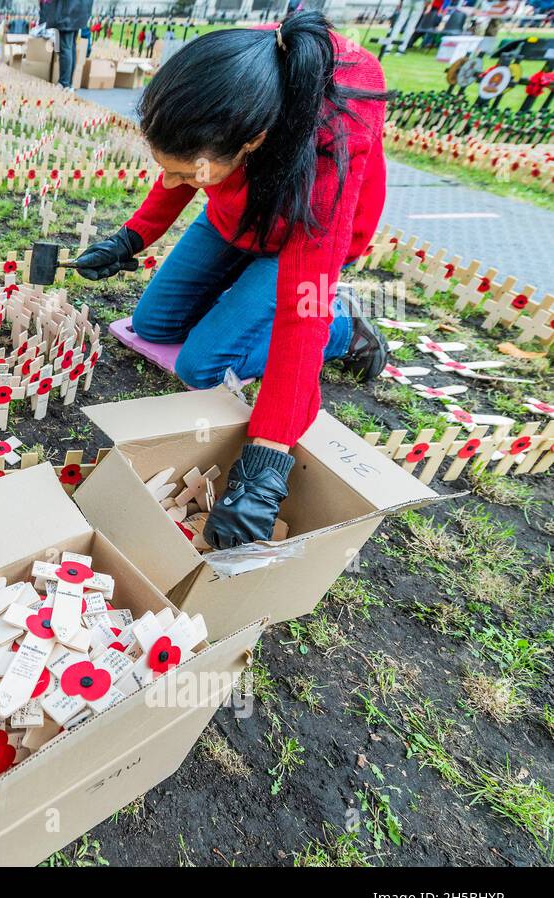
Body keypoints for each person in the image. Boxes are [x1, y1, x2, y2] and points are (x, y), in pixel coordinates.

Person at [72, 12, 391, 549]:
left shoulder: (336, 141)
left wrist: (265, 465)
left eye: (186, 174)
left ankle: (349, 328)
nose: (172, 182)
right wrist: (131, 238)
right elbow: (185, 161)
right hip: (236, 216)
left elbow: (300, 316)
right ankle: (245, 300)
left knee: (203, 364)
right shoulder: (240, 76)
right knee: (154, 323)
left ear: (254, 140)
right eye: (165, 168)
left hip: (301, 237)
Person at [41, 0, 93, 88]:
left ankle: (64, 83)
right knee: (71, 47)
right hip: (79, 11)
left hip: (67, 11)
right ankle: (68, 84)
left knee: (65, 48)